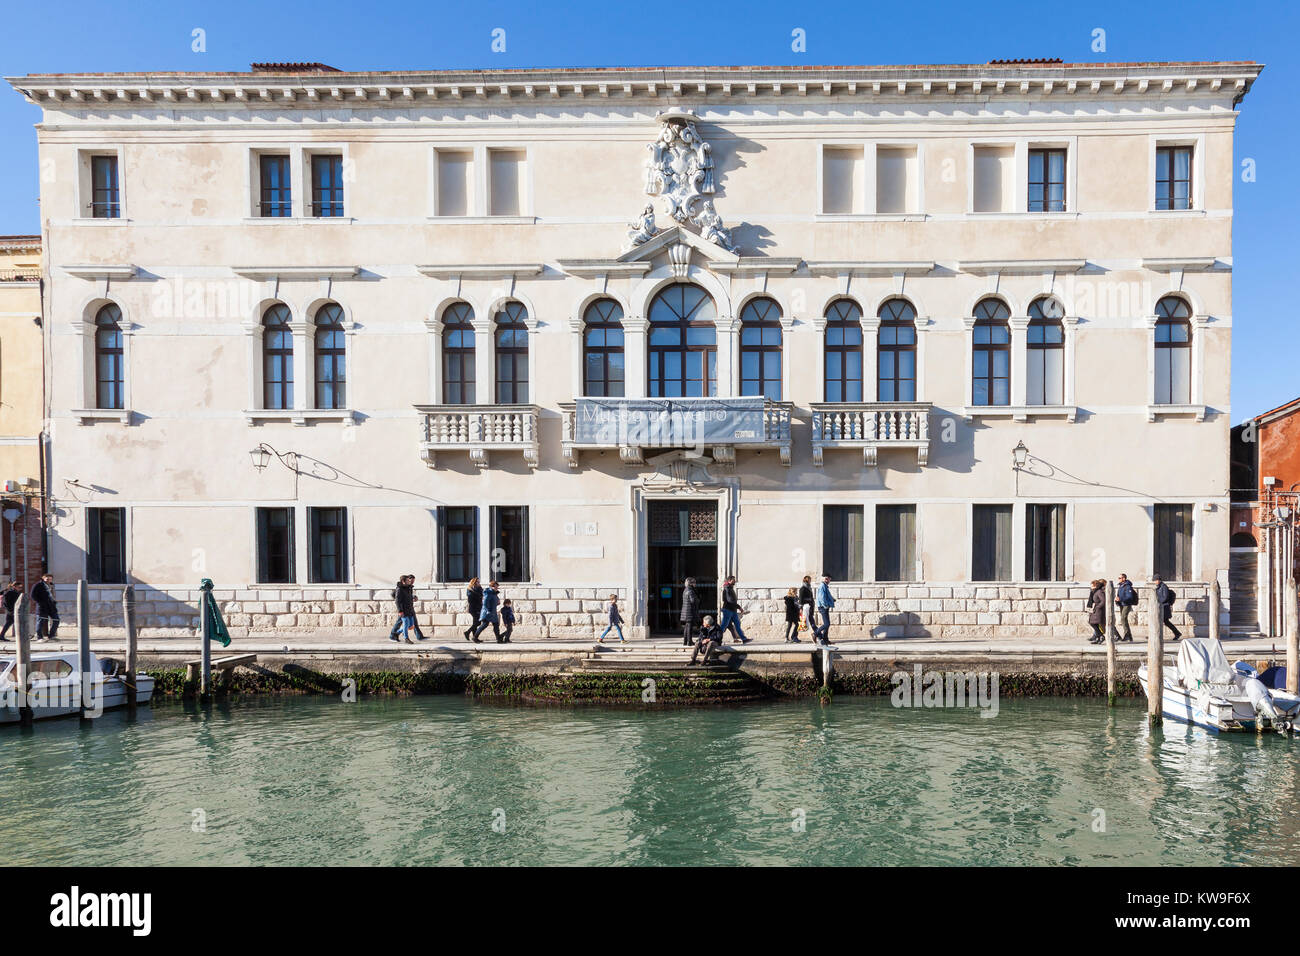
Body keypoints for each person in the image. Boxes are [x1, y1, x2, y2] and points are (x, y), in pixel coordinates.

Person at [719, 575, 751, 644]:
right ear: (729, 581)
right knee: (724, 625)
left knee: (737, 624)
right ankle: (717, 638)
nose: (735, 581)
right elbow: (730, 600)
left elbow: (732, 600)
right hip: (728, 610)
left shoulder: (730, 588)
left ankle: (744, 639)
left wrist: (737, 607)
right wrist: (739, 607)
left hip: (732, 610)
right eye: (733, 580)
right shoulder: (727, 589)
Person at [389, 575, 417, 643]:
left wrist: (413, 598)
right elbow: (397, 601)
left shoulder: (409, 588)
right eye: (407, 580)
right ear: (403, 581)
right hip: (403, 610)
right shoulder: (399, 589)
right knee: (405, 624)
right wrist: (400, 610)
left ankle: (396, 633)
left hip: (409, 609)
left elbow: (408, 597)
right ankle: (406, 638)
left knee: (411, 626)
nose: (409, 581)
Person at [1153, 574, 1181, 641]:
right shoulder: (1159, 587)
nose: (1155, 582)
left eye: (1156, 580)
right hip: (1161, 607)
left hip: (1165, 607)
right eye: (1154, 580)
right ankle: (1177, 633)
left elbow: (1165, 597)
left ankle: (1156, 635)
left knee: (1162, 621)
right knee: (1165, 622)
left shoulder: (1164, 587)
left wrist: (1159, 602)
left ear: (1159, 580)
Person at [32, 574, 58, 641]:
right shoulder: (38, 585)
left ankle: (51, 636)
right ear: (43, 578)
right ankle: (39, 637)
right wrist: (40, 602)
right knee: (41, 621)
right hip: (42, 606)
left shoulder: (52, 585)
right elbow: (33, 595)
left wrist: (54, 602)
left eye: (50, 579)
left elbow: (52, 594)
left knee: (56, 619)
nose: (49, 580)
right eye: (47, 579)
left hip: (51, 606)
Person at [1113, 573, 1137, 642]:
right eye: (1118, 578)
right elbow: (1119, 595)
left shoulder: (1128, 586)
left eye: (1120, 578)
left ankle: (1127, 635)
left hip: (1126, 604)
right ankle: (1129, 636)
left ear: (1124, 578)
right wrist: (1117, 600)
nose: (1119, 579)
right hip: (1121, 604)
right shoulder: (1121, 586)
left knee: (1123, 619)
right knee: (1123, 619)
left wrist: (1120, 599)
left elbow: (1130, 597)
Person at [813, 574, 835, 645]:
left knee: (827, 624)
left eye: (829, 579)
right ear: (826, 579)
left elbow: (825, 596)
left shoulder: (824, 586)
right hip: (823, 607)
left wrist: (832, 599)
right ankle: (815, 633)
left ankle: (825, 639)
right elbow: (822, 598)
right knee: (827, 624)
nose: (829, 581)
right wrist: (826, 605)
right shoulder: (822, 586)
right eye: (829, 579)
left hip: (824, 607)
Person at [679, 577, 700, 647]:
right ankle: (689, 641)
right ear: (691, 583)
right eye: (694, 583)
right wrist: (698, 600)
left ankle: (685, 641)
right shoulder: (691, 591)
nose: (695, 584)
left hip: (685, 611)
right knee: (689, 627)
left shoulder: (685, 590)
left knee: (686, 627)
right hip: (689, 611)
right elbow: (693, 600)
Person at [463, 577, 483, 642]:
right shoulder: (470, 590)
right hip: (473, 608)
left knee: (475, 622)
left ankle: (475, 638)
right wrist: (478, 596)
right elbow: (471, 600)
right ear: (474, 583)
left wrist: (480, 589)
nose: (479, 583)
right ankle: (467, 632)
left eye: (479, 582)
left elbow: (482, 596)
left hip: (478, 607)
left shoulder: (479, 589)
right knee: (478, 622)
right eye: (477, 582)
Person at [1087, 578, 1106, 644]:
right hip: (1094, 610)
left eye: (1092, 585)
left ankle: (1101, 636)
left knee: (1093, 623)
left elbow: (1103, 601)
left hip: (1098, 610)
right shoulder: (1094, 592)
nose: (1091, 587)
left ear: (1095, 585)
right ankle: (1098, 637)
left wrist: (1097, 607)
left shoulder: (1099, 592)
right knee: (1093, 623)